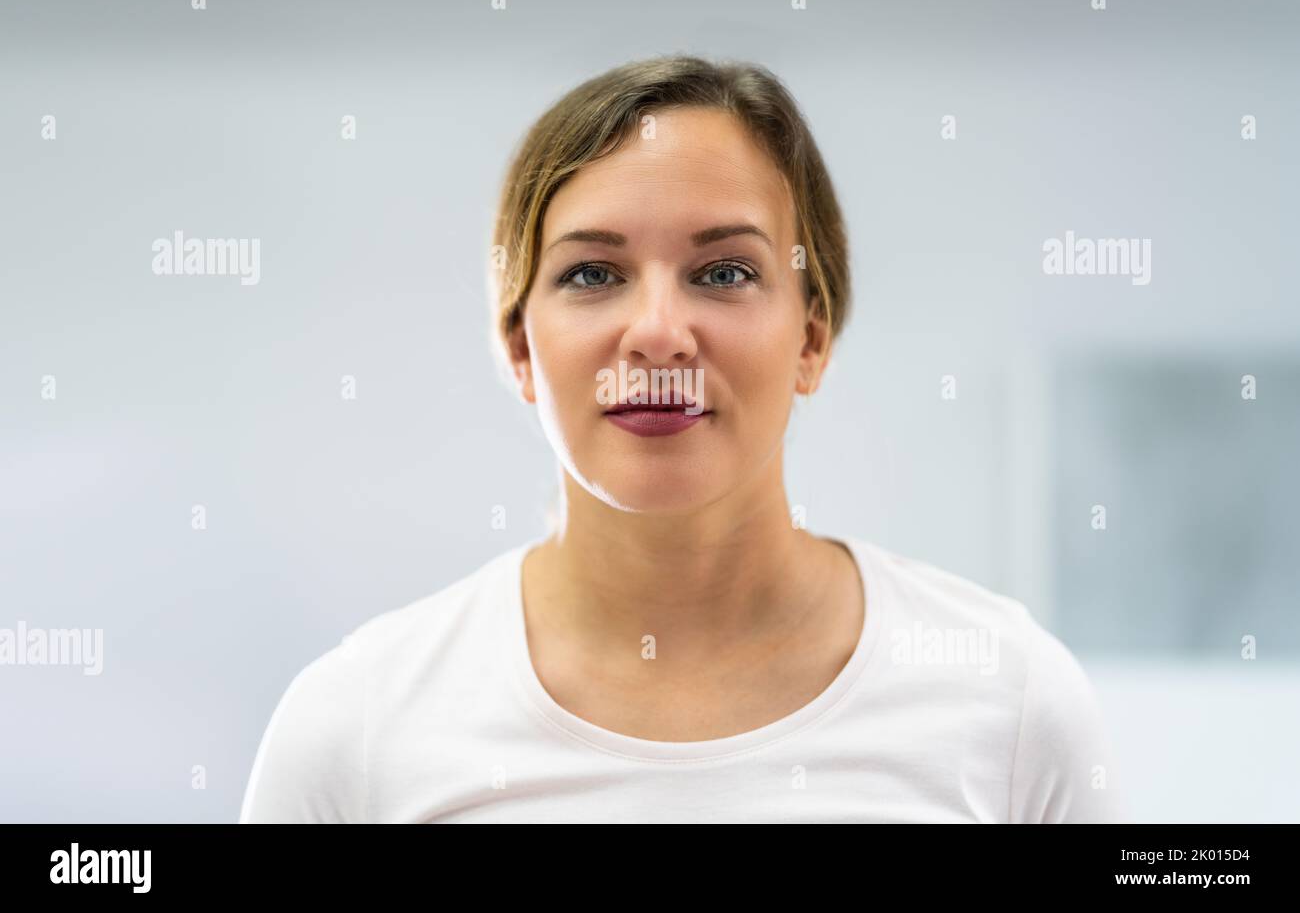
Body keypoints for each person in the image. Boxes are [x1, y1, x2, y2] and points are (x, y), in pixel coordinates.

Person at [240, 55, 1124, 823]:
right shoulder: (354, 726)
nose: (658, 330)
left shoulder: (1009, 699)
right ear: (520, 348)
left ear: (811, 338)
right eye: (593, 273)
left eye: (725, 271)